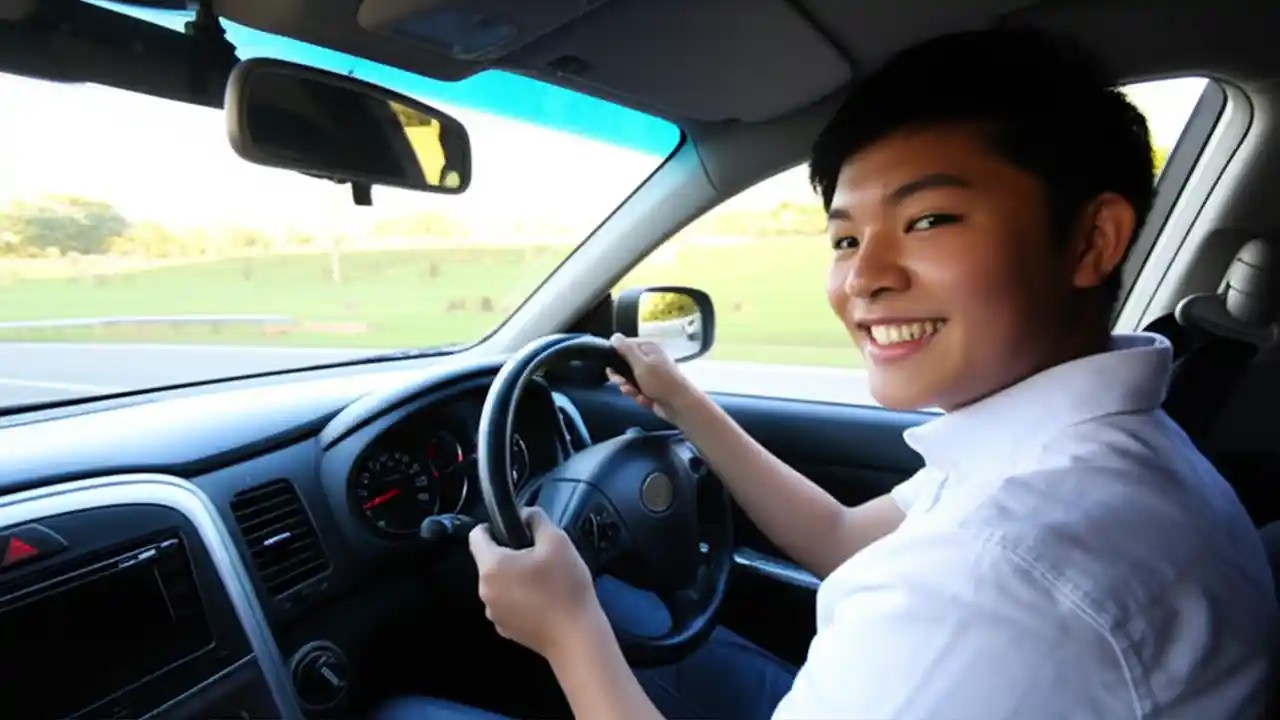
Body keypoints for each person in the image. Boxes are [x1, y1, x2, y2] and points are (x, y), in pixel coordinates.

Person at [376, 26, 1279, 720]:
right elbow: (847, 538)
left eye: (928, 222)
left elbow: (970, 577)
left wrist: (566, 632)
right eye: (846, 236)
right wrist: (682, 401)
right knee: (628, 617)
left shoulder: (998, 572)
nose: (864, 277)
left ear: (1092, 239)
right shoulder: (1076, 452)